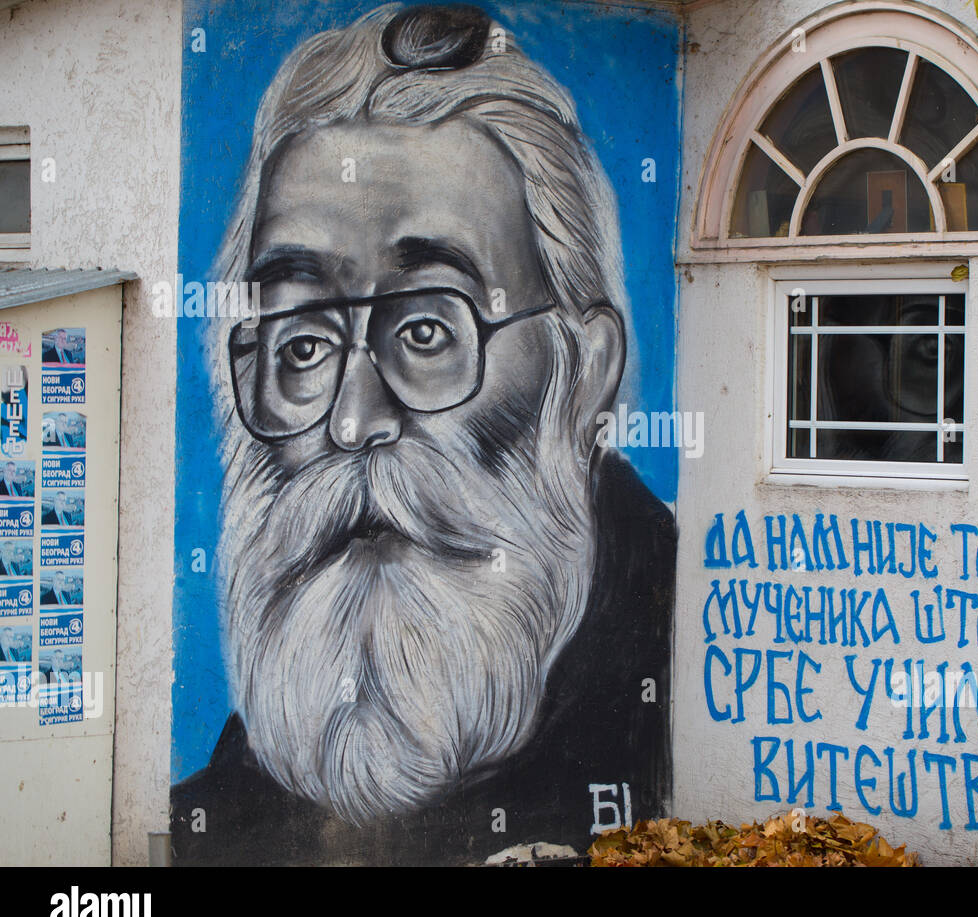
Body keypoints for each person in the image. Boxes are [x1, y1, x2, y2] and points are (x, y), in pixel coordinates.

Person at [170, 3, 674, 866]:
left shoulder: (682, 685)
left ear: (583, 374)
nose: (356, 419)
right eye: (302, 342)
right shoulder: (208, 817)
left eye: (429, 331)